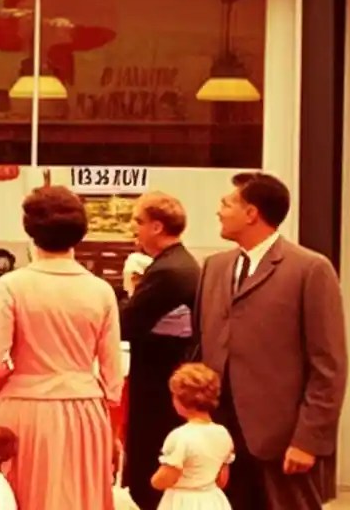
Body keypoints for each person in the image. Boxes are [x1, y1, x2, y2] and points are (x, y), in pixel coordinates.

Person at [194, 172, 347, 510]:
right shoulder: (214, 268)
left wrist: (309, 439)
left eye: (227, 203)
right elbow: (201, 348)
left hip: (281, 441)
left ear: (252, 213)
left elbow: (329, 366)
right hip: (219, 436)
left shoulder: (309, 269)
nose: (218, 211)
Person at [0, 184, 123, 510]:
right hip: (83, 409)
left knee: (20, 496)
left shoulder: (12, 285)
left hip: (23, 406)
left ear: (31, 231)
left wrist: (10, 381)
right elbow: (113, 374)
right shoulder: (100, 291)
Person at [122, 192, 203, 510]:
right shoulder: (178, 264)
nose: (134, 229)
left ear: (157, 226)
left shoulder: (168, 271)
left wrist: (128, 292)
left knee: (150, 466)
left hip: (159, 389)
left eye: (138, 222)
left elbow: (126, 322)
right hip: (166, 385)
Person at [151, 362, 235, 510]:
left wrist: (155, 481)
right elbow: (222, 480)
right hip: (212, 500)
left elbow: (167, 477)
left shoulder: (180, 436)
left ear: (180, 401)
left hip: (183, 502)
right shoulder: (223, 433)